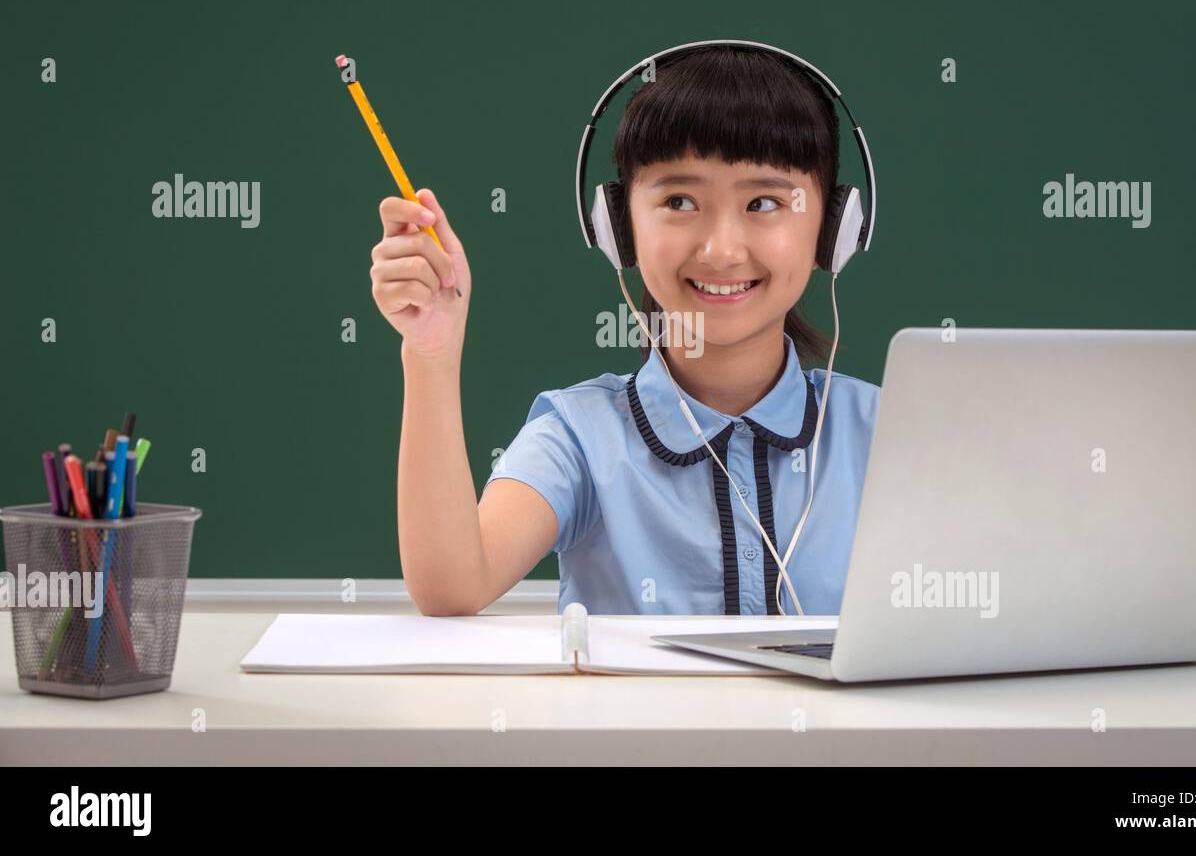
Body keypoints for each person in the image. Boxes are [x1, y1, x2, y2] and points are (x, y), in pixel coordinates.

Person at [369, 44, 880, 615]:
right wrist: (430, 351)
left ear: (834, 230)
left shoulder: (890, 434)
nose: (720, 249)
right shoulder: (581, 436)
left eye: (764, 201)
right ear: (619, 228)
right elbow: (453, 587)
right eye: (680, 200)